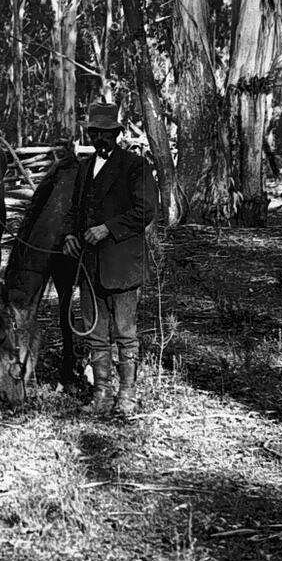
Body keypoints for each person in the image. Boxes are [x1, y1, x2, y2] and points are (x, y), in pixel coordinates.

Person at [63, 102, 159, 417]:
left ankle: (127, 396)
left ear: (116, 134)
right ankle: (101, 393)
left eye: (105, 133)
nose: (98, 138)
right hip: (89, 266)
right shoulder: (83, 167)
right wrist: (70, 235)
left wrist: (107, 228)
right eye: (94, 132)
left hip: (121, 264)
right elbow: (75, 211)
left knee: (125, 333)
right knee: (95, 332)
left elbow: (145, 210)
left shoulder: (135, 166)